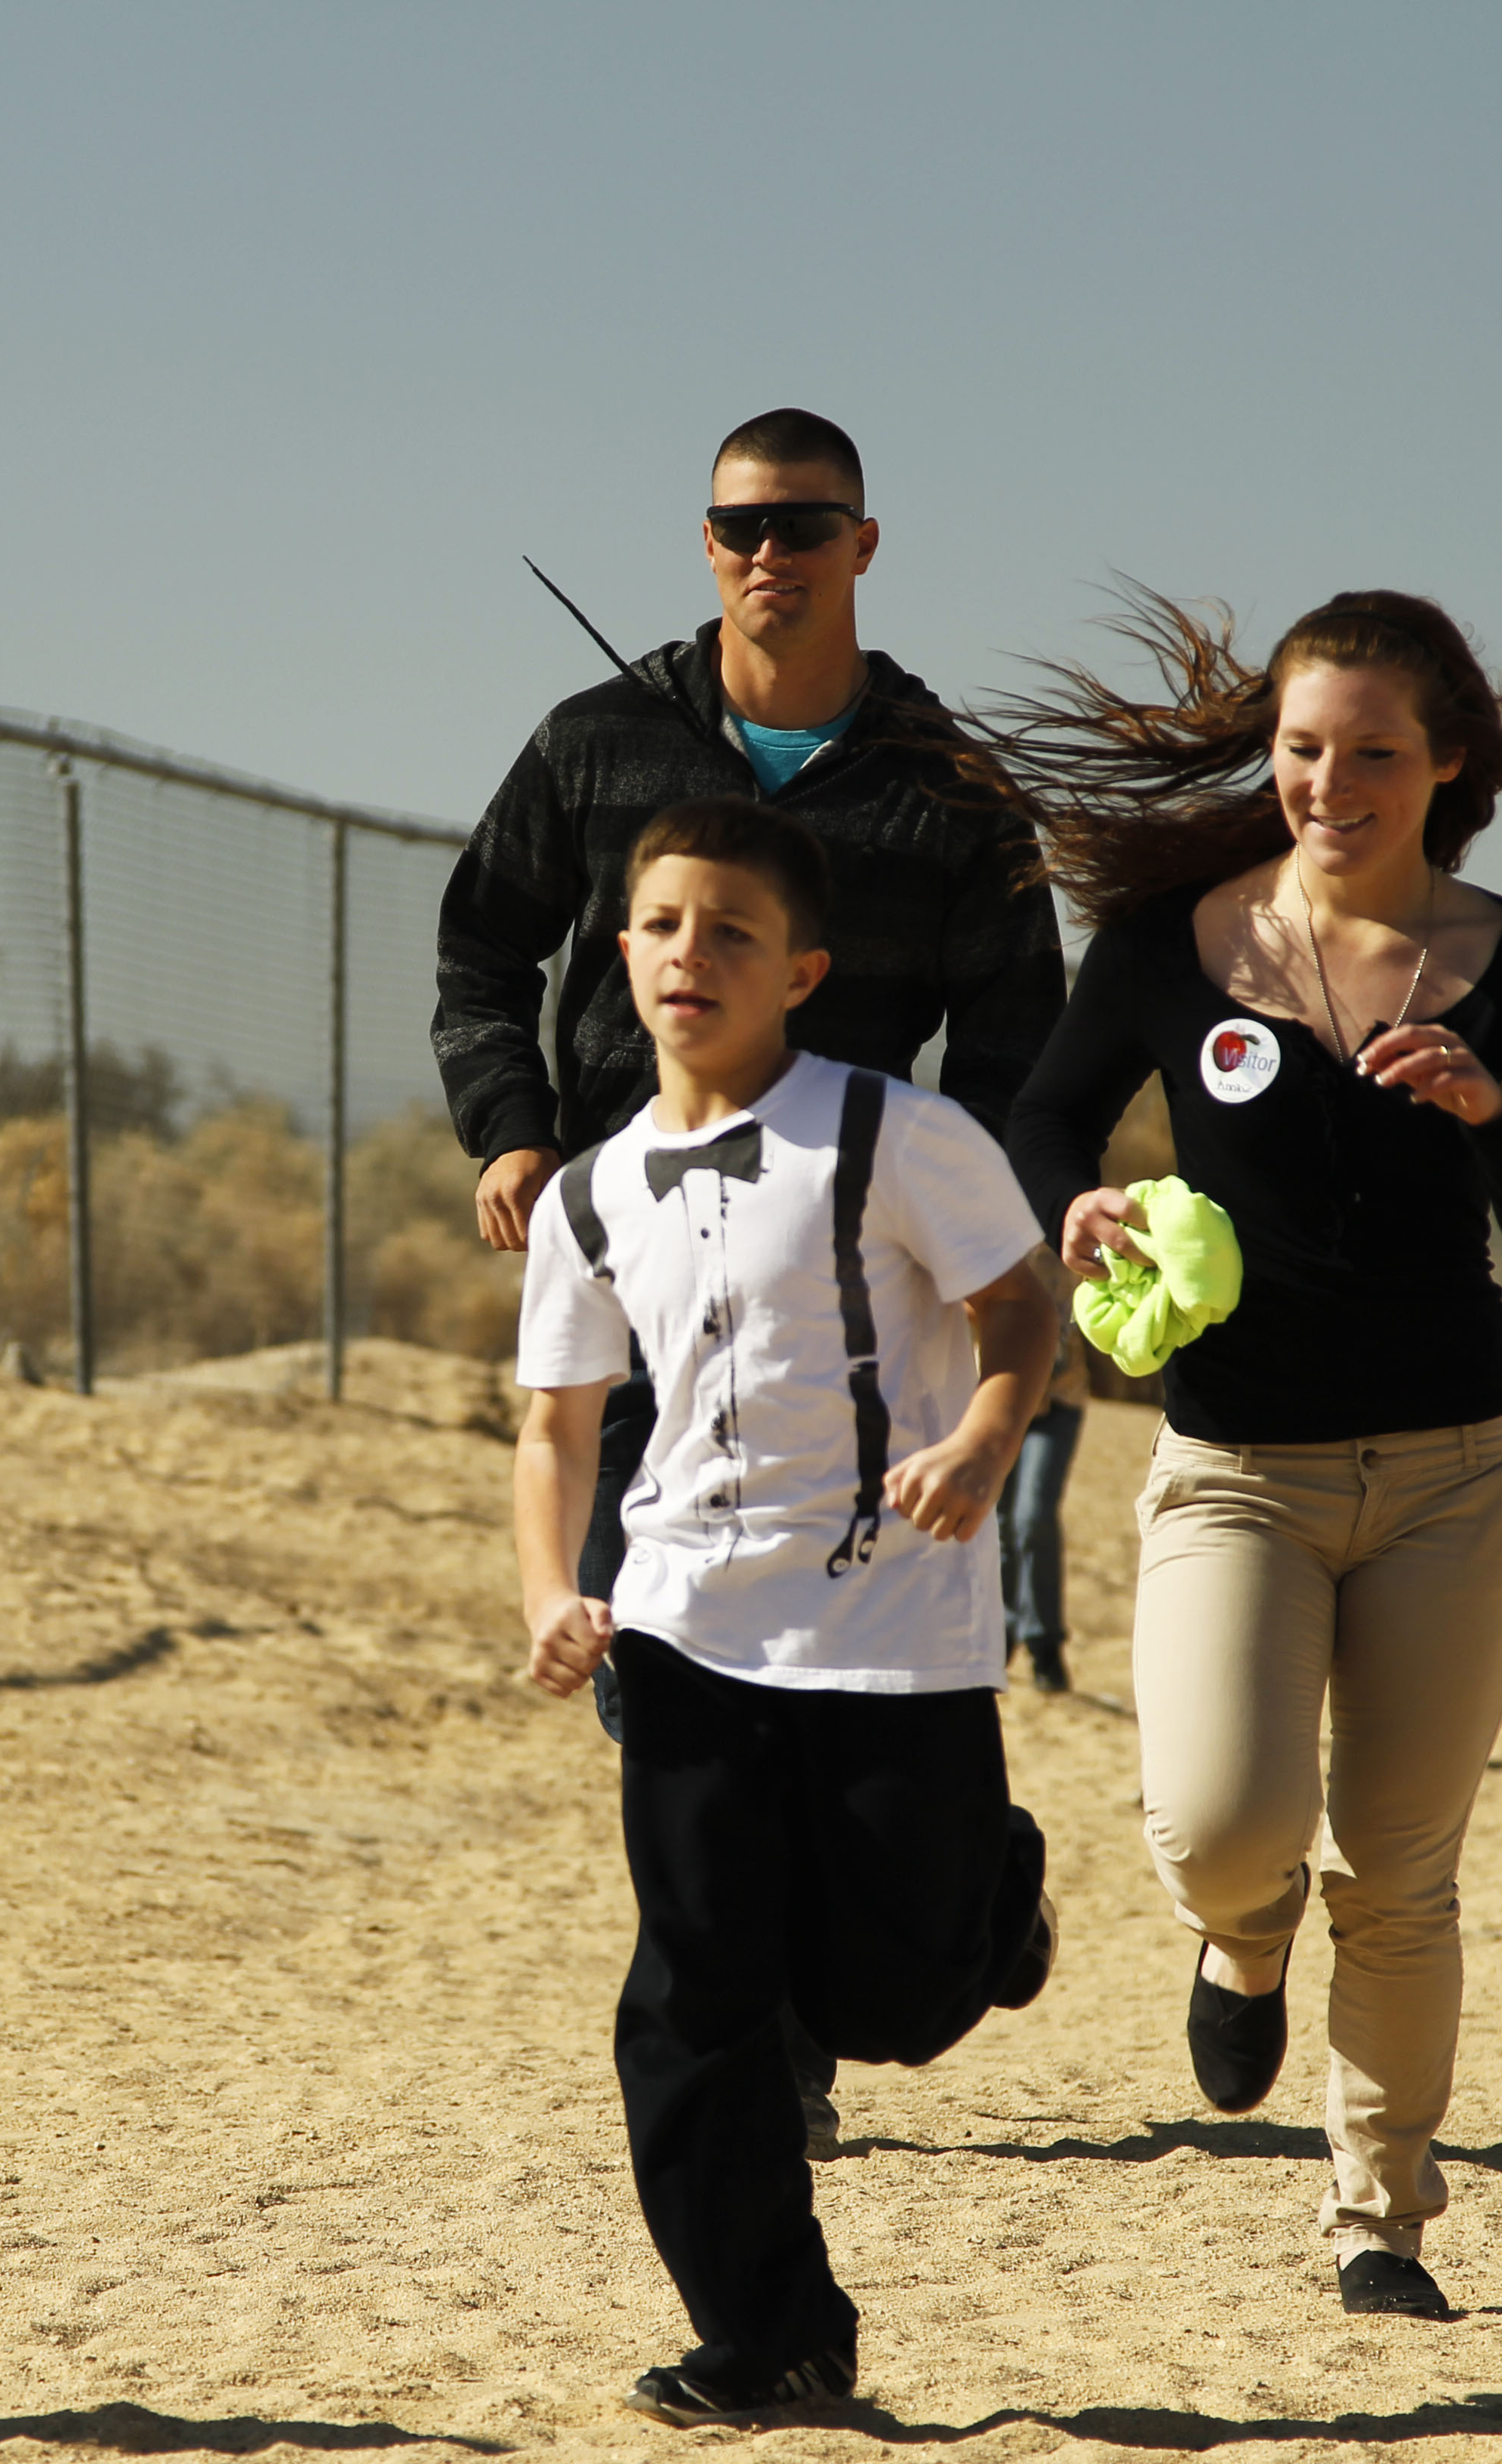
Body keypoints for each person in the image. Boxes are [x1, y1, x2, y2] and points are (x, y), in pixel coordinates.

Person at [435, 407, 1066, 2148]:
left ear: (867, 542)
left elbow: (1023, 1041)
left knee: (843, 1646)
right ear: (702, 544)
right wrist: (507, 1130)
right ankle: (765, 2025)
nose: (766, 554)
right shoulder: (594, 746)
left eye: (802, 524)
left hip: (856, 1299)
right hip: (638, 1268)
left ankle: (966, 1890)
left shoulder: (950, 791)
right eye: (735, 528)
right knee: (658, 1639)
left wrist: (971, 1230)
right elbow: (479, 943)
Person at [993, 590, 1502, 2321]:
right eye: (1298, 749)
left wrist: (1489, 1118)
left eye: (1367, 754)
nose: (1326, 783)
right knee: (1217, 1826)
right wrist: (1080, 1199)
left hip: (1454, 1480)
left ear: (1445, 767)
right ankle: (1240, 1938)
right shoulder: (1176, 948)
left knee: (1402, 1872)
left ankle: (1377, 2221)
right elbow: (1044, 1111)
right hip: (1236, 1471)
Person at [509, 798, 1060, 2428]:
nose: (693, 954)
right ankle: (774, 2335)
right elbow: (553, 1423)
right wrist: (556, 1591)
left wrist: (977, 1440)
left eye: (734, 931)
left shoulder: (897, 1135)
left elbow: (1021, 1312)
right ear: (622, 953)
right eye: (665, 925)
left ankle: (994, 1891)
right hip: (683, 1633)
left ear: (804, 970)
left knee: (893, 2001)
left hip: (898, 1638)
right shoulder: (589, 1196)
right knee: (694, 1992)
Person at [996, 1320, 1092, 1691]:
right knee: (999, 1520)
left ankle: (1043, 1642)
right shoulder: (992, 1257)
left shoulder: (1068, 1259)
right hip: (998, 1394)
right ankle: (1001, 1632)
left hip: (1061, 1399)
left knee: (1032, 1516)